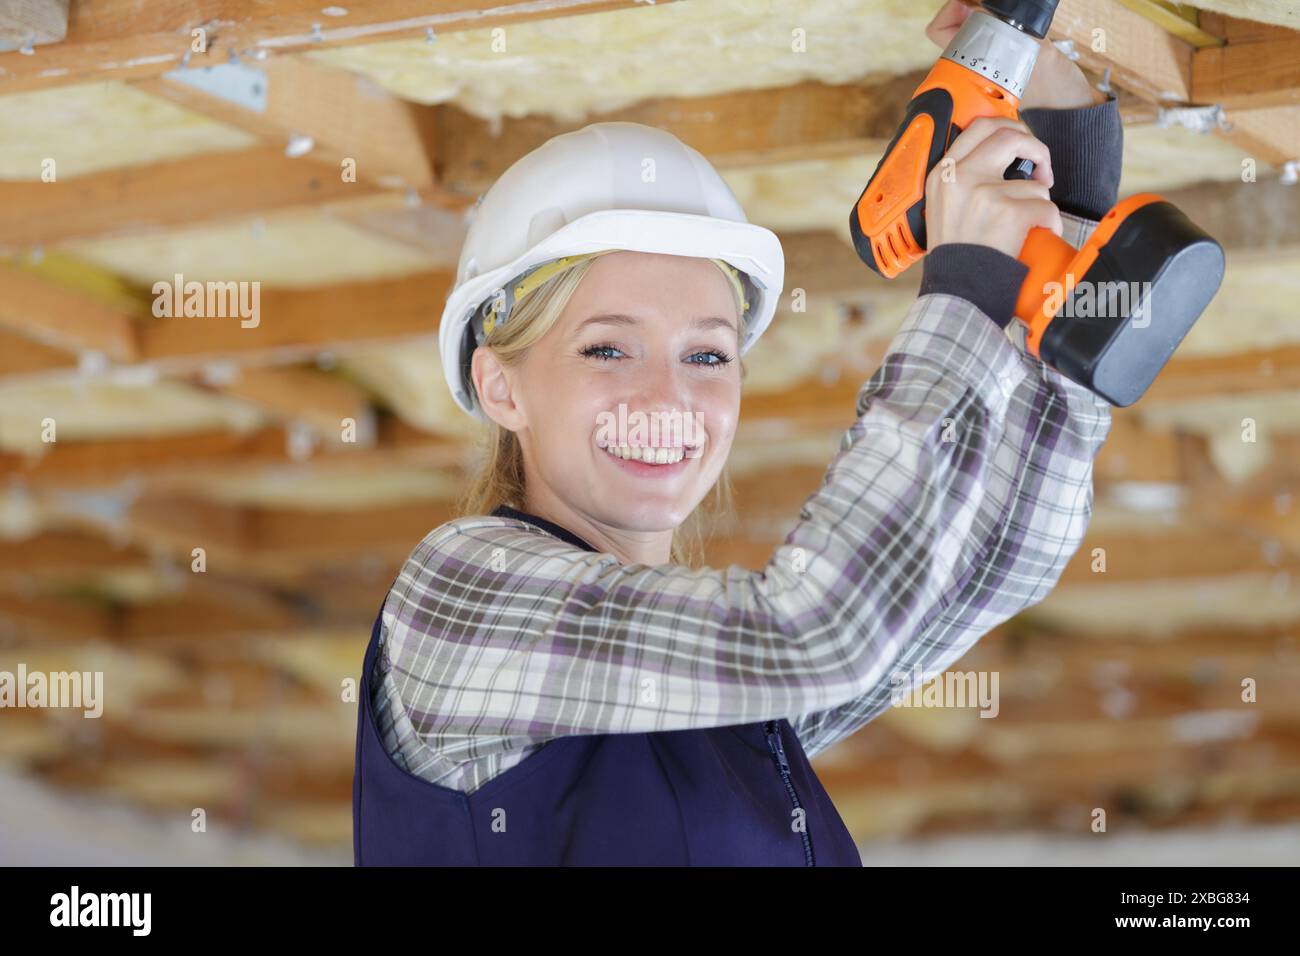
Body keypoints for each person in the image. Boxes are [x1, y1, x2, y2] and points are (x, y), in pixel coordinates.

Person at [353, 0, 1120, 865]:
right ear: (501, 387)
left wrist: (1064, 199)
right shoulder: (460, 595)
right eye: (607, 347)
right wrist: (965, 288)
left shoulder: (728, 705)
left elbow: (1002, 553)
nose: (666, 395)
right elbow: (819, 633)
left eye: (708, 357)